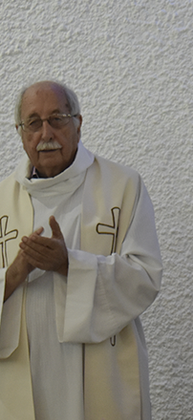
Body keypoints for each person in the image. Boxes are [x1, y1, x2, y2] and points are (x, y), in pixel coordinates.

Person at [0, 81, 162, 419]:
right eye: (33, 123)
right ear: (19, 132)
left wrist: (68, 264)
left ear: (78, 123)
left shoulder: (122, 185)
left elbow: (145, 276)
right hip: (22, 371)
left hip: (102, 369)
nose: (45, 132)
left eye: (57, 118)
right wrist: (15, 272)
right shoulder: (2, 198)